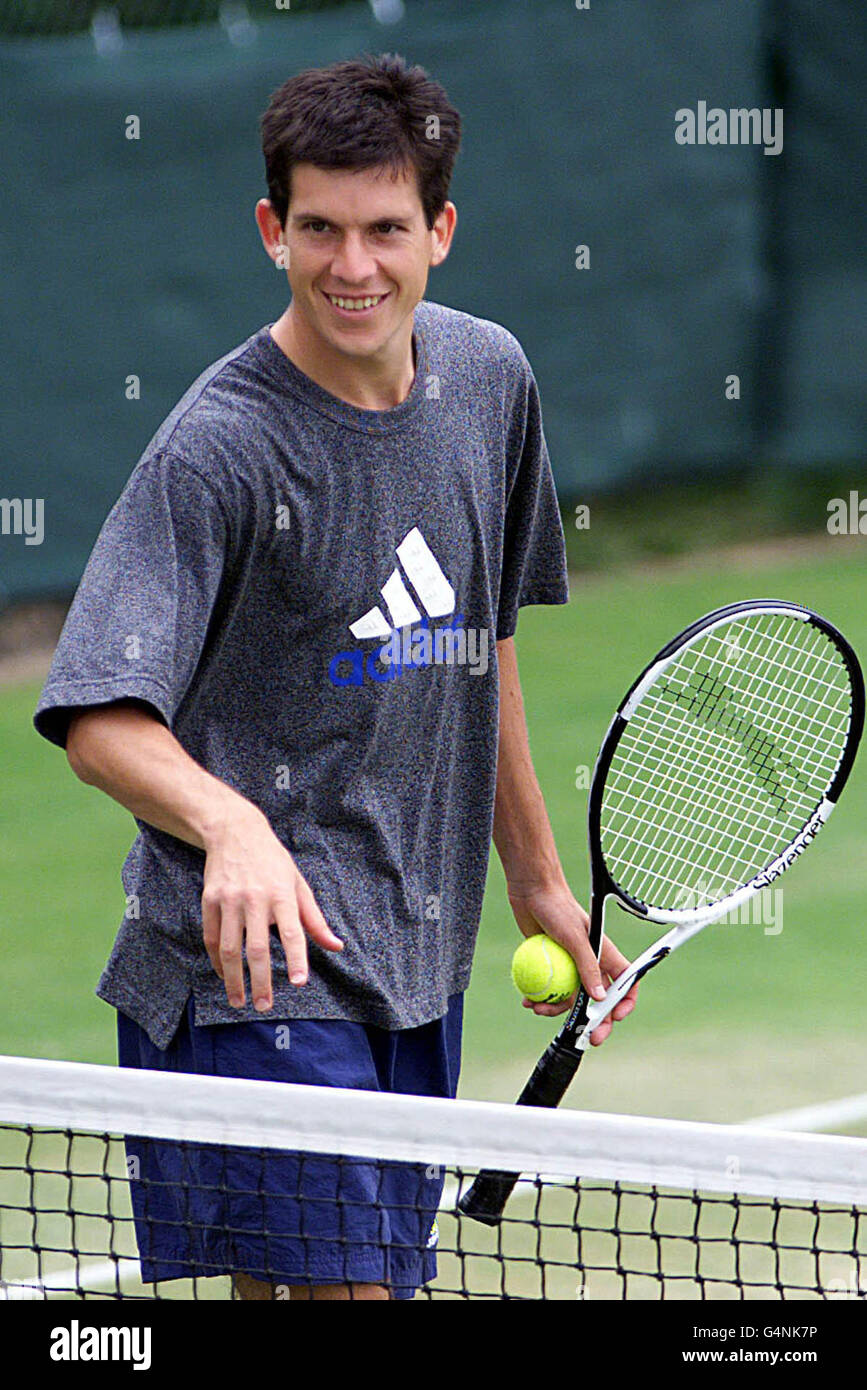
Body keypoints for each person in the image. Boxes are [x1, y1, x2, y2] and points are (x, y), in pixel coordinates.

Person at [33, 53, 637, 1301]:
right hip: (250, 973)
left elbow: (484, 643)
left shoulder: (489, 384)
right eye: (318, 229)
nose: (351, 267)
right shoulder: (219, 450)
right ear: (272, 229)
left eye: (384, 230)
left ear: (441, 232)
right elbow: (98, 712)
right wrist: (231, 821)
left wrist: (535, 879)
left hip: (414, 961)